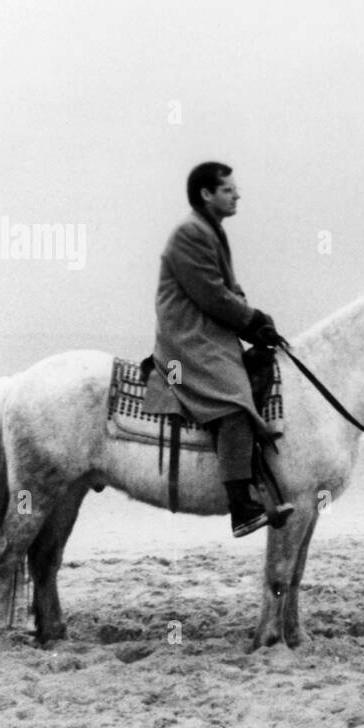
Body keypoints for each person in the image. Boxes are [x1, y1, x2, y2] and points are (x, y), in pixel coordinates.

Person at [143, 161, 293, 535]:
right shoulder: (189, 234)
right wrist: (251, 319)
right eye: (228, 189)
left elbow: (229, 292)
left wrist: (256, 322)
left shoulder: (210, 230)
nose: (237, 194)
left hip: (209, 330)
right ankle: (241, 506)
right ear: (206, 194)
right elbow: (211, 294)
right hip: (188, 337)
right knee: (234, 400)